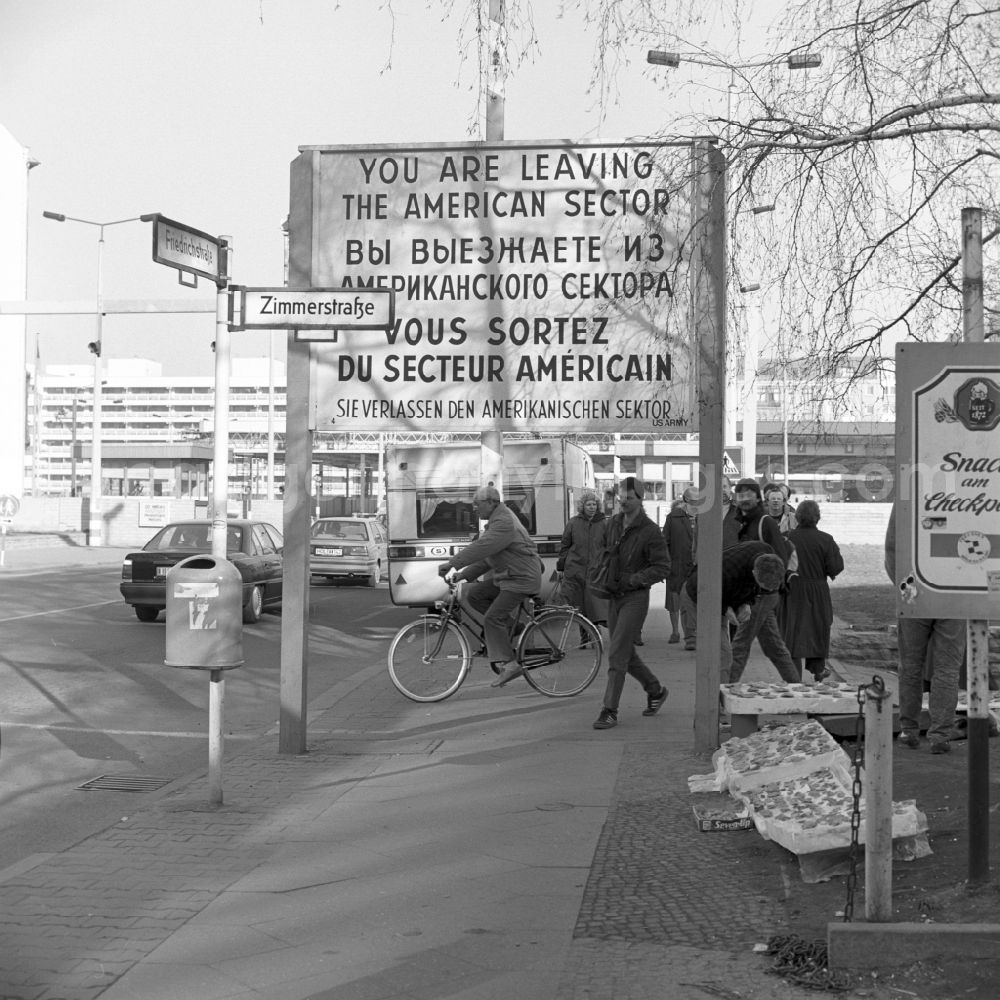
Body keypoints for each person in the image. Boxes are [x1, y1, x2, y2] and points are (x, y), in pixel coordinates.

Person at [437, 484, 542, 689]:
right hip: (510, 577)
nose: (474, 508)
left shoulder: (503, 522)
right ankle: (513, 626)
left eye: (477, 504)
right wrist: (463, 575)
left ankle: (510, 664)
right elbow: (488, 557)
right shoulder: (497, 521)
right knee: (475, 594)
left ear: (492, 503)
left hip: (521, 578)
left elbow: (481, 547)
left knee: (493, 618)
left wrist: (452, 563)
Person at [885, 502, 964, 753]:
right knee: (947, 667)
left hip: (914, 588)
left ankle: (909, 728)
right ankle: (940, 733)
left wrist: (901, 583)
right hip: (955, 589)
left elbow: (892, 545)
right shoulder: (967, 496)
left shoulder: (909, 498)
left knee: (910, 664)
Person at [592, 477, 670, 730]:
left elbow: (662, 566)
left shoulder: (649, 530)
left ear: (640, 499)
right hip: (614, 593)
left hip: (635, 596)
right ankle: (655, 690)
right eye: (621, 497)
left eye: (630, 497)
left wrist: (635, 579)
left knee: (616, 654)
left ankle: (609, 710)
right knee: (625, 651)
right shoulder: (612, 524)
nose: (624, 501)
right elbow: (600, 550)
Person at [728, 478, 801, 683]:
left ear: (758, 498)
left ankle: (722, 697)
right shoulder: (744, 523)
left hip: (760, 595)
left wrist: (767, 586)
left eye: (748, 495)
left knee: (740, 644)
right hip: (756, 594)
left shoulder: (764, 522)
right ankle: (797, 688)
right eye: (740, 496)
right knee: (775, 649)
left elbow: (780, 556)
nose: (744, 500)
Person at [685, 541, 787, 683]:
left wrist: (746, 603)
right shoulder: (727, 569)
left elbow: (750, 588)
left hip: (722, 593)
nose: (762, 591)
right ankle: (716, 701)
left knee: (723, 654)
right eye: (762, 587)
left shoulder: (767, 559)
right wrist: (725, 609)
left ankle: (720, 694)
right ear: (754, 573)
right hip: (699, 594)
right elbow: (699, 589)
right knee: (722, 654)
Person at [783, 500, 844, 682]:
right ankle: (818, 672)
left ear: (798, 517)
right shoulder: (826, 539)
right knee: (818, 629)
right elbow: (835, 567)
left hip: (792, 589)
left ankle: (794, 679)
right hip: (817, 589)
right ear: (817, 517)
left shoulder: (787, 537)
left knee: (792, 632)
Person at [556, 488, 608, 627]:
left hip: (595, 571)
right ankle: (584, 634)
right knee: (579, 605)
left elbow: (609, 547)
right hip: (576, 569)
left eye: (594, 504)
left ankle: (595, 634)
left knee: (595, 606)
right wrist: (561, 566)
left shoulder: (604, 523)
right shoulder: (573, 523)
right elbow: (565, 545)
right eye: (588, 504)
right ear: (582, 506)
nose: (592, 507)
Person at [662, 487, 698, 649]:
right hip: (678, 566)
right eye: (694, 500)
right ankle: (686, 635)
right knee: (679, 601)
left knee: (693, 603)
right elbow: (665, 543)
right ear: (686, 500)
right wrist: (664, 565)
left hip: (699, 567)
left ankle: (694, 634)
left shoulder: (707, 516)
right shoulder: (674, 518)